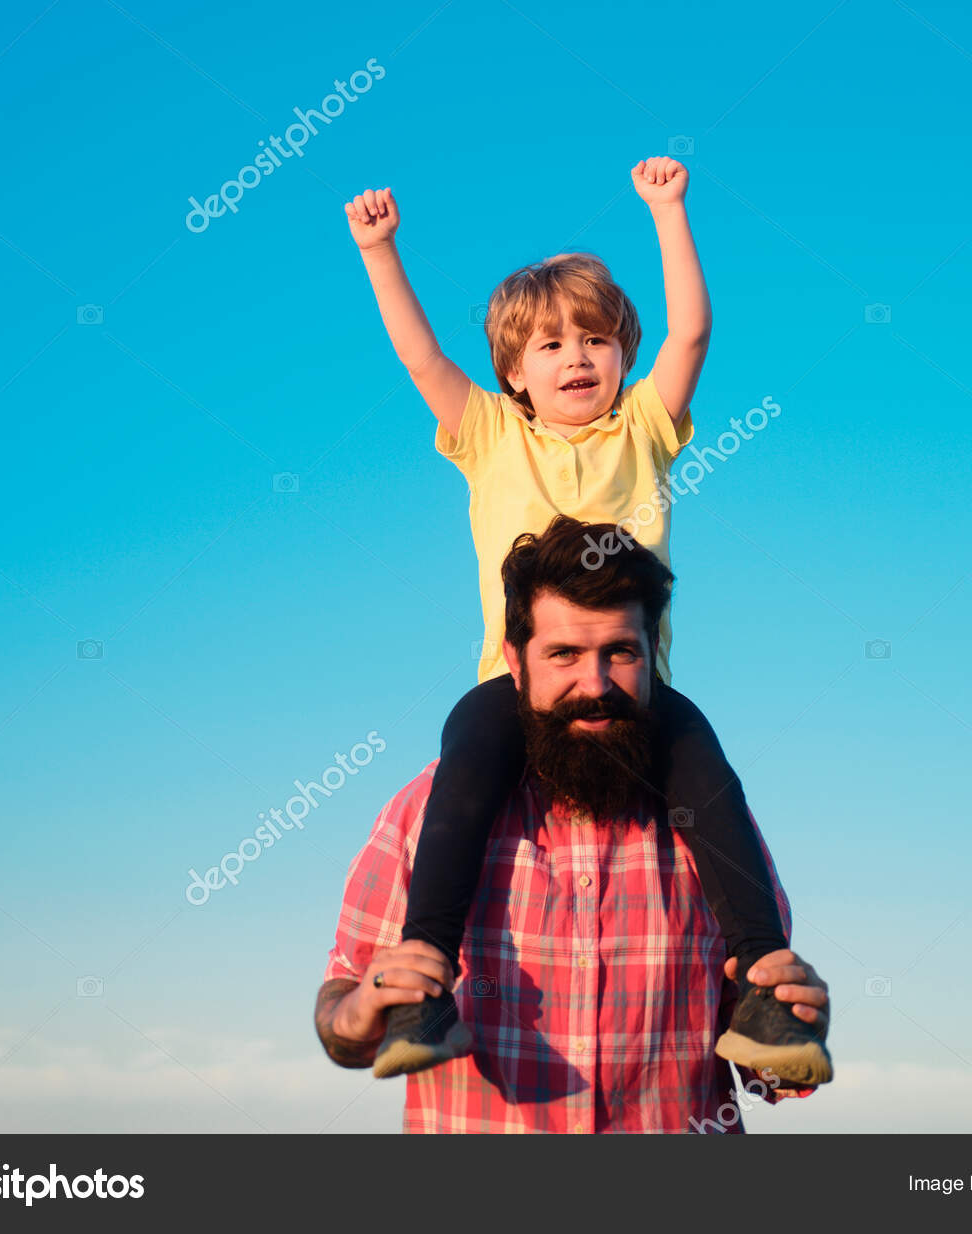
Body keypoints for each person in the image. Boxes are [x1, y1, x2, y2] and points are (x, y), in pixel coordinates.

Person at [342, 155, 828, 1085]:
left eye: (596, 340)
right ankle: (425, 979)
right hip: (517, 688)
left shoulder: (643, 428)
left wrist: (669, 212)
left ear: (620, 357)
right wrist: (380, 252)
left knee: (707, 770)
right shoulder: (490, 435)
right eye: (553, 345)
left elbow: (691, 333)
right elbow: (419, 357)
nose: (577, 357)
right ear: (514, 373)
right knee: (463, 766)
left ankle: (764, 985)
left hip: (635, 692)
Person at [313, 518, 832, 1131]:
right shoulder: (425, 810)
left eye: (620, 652)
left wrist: (797, 1027)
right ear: (515, 659)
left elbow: (761, 1078)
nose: (596, 684)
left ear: (652, 653)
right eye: (564, 654)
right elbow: (341, 1024)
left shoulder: (714, 828)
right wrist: (365, 1007)